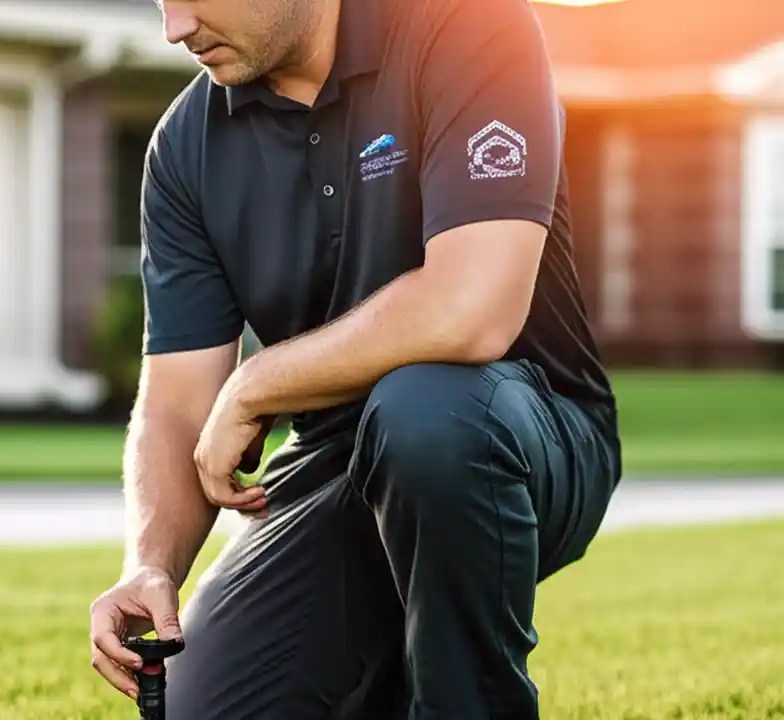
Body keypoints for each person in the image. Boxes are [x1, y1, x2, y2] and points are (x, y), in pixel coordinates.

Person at [88, 0, 622, 716]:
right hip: (332, 463)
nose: (174, 28)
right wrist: (149, 564)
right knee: (209, 707)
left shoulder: (469, 24)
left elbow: (473, 310)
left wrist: (259, 381)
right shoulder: (186, 147)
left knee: (427, 415)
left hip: (522, 435)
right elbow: (177, 403)